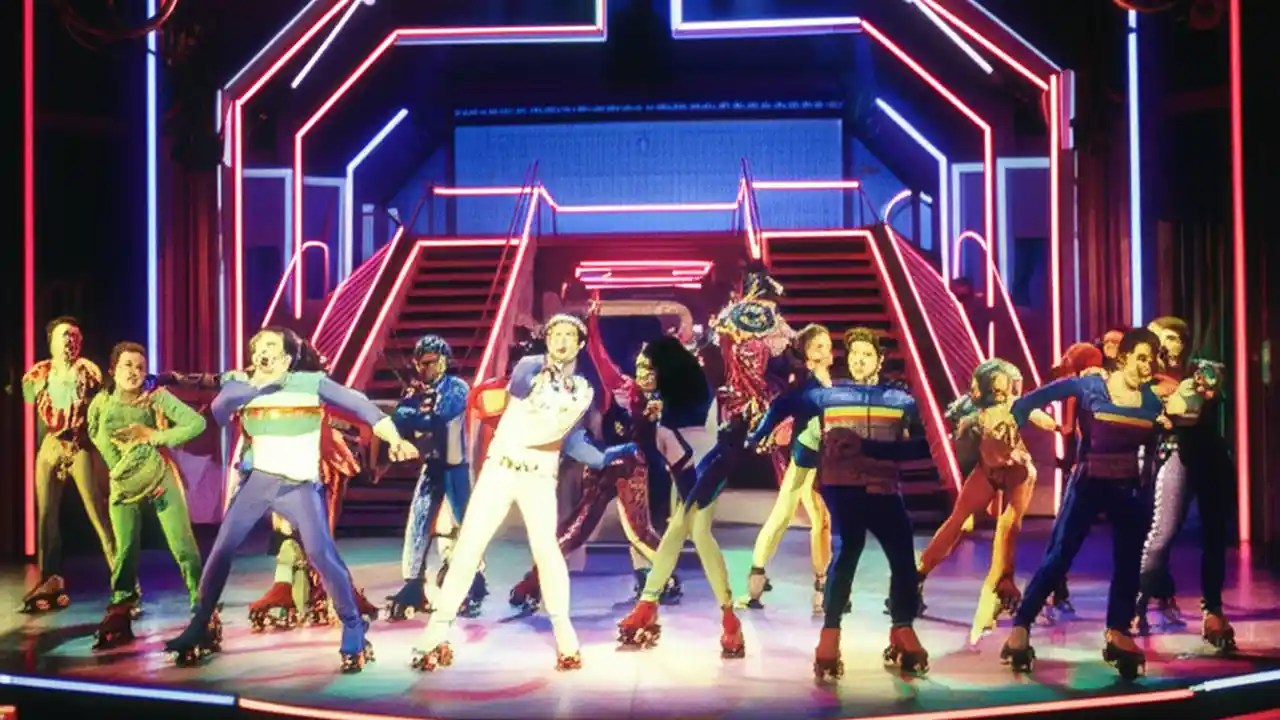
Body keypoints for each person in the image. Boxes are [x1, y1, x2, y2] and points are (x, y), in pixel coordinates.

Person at [163, 327, 419, 673]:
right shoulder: (244, 386)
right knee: (223, 548)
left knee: (320, 554)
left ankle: (354, 626)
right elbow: (220, 413)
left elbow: (361, 406)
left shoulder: (311, 383)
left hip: (299, 487)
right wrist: (250, 387)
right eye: (257, 347)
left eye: (271, 347)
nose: (262, 352)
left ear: (286, 357)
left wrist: (395, 438)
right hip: (259, 483)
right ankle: (199, 624)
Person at [410, 314, 637, 672]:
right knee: (469, 546)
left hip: (539, 477)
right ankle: (436, 631)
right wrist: (541, 363)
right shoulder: (530, 368)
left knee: (547, 551)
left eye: (568, 335)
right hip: (500, 469)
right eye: (554, 334)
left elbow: (573, 441)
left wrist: (612, 455)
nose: (560, 341)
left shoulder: (582, 390)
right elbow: (518, 386)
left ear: (580, 343)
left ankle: (566, 638)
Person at [998, 327, 1211, 679]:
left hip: (1128, 488)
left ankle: (1118, 630)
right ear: (1124, 357)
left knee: (1128, 563)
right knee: (1060, 556)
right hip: (1089, 484)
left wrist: (1195, 396)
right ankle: (1021, 625)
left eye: (1152, 359)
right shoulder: (1091, 386)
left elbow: (1187, 412)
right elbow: (1033, 400)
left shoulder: (1152, 399)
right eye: (1141, 357)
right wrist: (1013, 422)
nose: (1147, 365)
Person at [783, 328, 930, 679]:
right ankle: (830, 633)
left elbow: (921, 448)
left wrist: (870, 451)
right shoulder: (828, 397)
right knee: (849, 546)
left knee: (903, 556)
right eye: (854, 354)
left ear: (880, 361)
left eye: (866, 354)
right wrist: (766, 433)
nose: (858, 359)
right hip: (842, 487)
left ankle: (903, 626)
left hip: (884, 488)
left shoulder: (900, 401)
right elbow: (790, 414)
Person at [616, 337, 747, 659]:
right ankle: (649, 604)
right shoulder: (655, 399)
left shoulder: (692, 390)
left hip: (707, 466)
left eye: (650, 366)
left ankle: (728, 617)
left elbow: (696, 427)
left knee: (697, 533)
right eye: (641, 367)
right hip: (681, 469)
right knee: (678, 529)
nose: (644, 373)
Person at [915, 359, 1058, 644]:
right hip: (988, 470)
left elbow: (1039, 416)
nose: (1003, 389)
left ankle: (1003, 584)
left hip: (1018, 471)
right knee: (958, 521)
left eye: (1006, 384)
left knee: (1009, 526)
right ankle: (918, 574)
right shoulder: (975, 411)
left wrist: (1059, 427)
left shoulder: (1017, 406)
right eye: (998, 384)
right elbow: (959, 429)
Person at [88, 341, 207, 649]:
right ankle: (121, 607)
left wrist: (156, 436)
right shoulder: (100, 403)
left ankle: (202, 606)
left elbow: (197, 423)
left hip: (159, 476)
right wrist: (121, 470)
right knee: (125, 548)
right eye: (127, 365)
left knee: (182, 544)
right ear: (113, 370)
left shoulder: (156, 398)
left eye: (140, 367)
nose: (134, 372)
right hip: (123, 482)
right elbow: (96, 437)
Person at [1135, 316, 1235, 650]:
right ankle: (1136, 603)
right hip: (1176, 452)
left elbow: (1201, 400)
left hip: (1208, 453)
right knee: (1162, 534)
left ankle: (1213, 610)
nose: (1168, 344)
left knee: (1214, 533)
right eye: (1161, 338)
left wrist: (1194, 389)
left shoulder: (1199, 371)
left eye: (1175, 338)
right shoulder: (1146, 378)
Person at [384, 335, 487, 621]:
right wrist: (414, 407)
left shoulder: (456, 387)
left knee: (464, 526)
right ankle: (413, 583)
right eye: (422, 362)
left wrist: (417, 409)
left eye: (433, 361)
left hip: (457, 466)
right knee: (419, 522)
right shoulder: (417, 392)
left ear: (444, 360)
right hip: (433, 466)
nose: (427, 367)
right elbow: (401, 417)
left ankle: (474, 583)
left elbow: (442, 414)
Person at [20, 316, 116, 613]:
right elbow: (28, 400)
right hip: (51, 443)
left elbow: (102, 404)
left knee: (98, 514)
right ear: (51, 341)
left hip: (79, 443)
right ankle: (50, 579)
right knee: (46, 515)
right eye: (64, 335)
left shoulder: (88, 371)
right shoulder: (38, 373)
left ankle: (124, 584)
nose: (70, 341)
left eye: (75, 336)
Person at [740, 323, 834, 613]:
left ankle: (762, 577)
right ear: (806, 355)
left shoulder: (830, 385)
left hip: (825, 463)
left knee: (806, 518)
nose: (825, 349)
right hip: (806, 462)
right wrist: (756, 434)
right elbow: (778, 408)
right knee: (810, 518)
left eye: (827, 343)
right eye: (817, 346)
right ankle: (821, 588)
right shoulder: (805, 389)